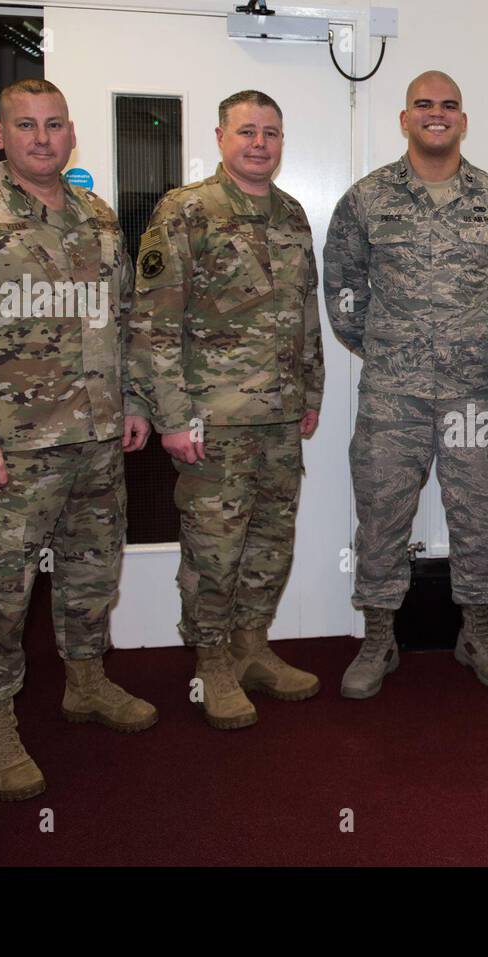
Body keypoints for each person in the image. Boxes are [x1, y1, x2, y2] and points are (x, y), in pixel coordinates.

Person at [0, 78, 156, 801]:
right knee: (2, 592)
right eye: (26, 125)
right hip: (9, 453)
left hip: (98, 441)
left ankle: (86, 681)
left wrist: (134, 400)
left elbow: (126, 320)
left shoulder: (99, 220)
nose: (42, 138)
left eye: (53, 125)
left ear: (70, 133)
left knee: (91, 576)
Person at [323, 70, 488, 698]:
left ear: (462, 121)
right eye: (423, 105)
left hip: (477, 394)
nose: (436, 114)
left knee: (480, 517)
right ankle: (379, 639)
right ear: (405, 118)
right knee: (381, 516)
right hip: (393, 395)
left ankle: (477, 633)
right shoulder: (365, 200)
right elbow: (344, 293)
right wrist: (390, 349)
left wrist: (468, 350)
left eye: (449, 106)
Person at [130, 90, 324, 729]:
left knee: (271, 541)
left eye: (270, 132)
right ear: (220, 138)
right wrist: (172, 416)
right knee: (213, 549)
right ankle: (211, 660)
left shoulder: (293, 216)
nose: (259, 144)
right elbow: (155, 324)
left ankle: (253, 646)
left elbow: (305, 316)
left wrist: (310, 394)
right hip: (213, 421)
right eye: (247, 132)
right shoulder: (187, 212)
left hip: (279, 416)